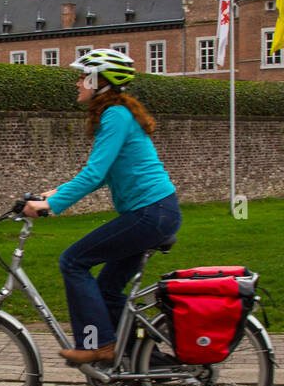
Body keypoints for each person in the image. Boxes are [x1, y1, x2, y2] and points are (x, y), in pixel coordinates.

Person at [23, 48, 181, 366]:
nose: (78, 82)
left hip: (150, 213)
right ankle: (144, 360)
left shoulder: (114, 116)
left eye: (83, 76)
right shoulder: (118, 114)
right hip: (156, 212)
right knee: (108, 289)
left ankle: (97, 344)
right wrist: (55, 192)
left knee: (73, 262)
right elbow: (103, 174)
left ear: (99, 81)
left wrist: (51, 205)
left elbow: (95, 173)